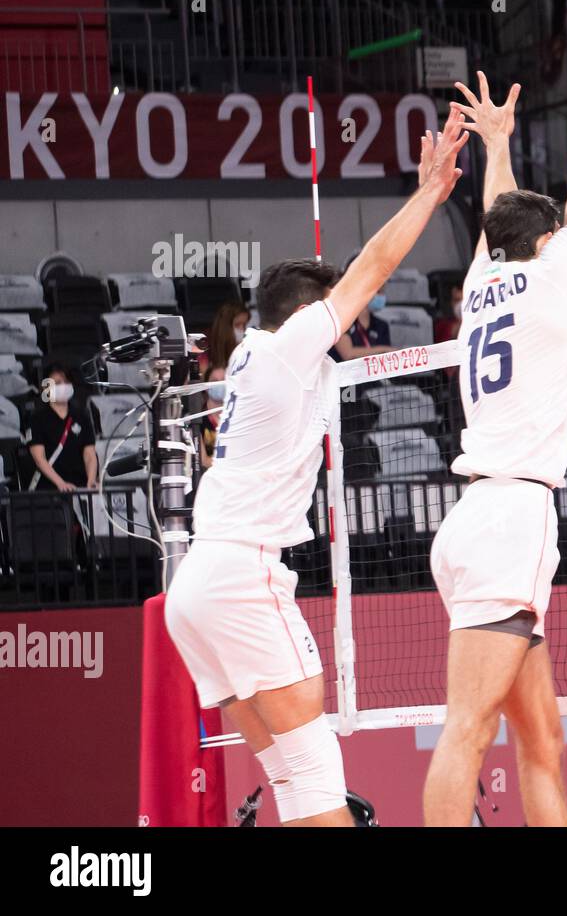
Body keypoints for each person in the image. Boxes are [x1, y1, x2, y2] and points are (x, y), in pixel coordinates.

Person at [164, 114, 468, 827]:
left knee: (294, 782)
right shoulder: (285, 346)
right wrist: (428, 193)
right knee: (315, 772)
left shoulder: (248, 360)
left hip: (197, 587)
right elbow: (373, 270)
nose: (342, 330)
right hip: (243, 578)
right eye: (331, 319)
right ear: (303, 316)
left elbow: (346, 360)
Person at [423, 23, 567, 827]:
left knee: (543, 740)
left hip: (488, 515)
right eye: (556, 233)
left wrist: (498, 144)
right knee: (468, 730)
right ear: (547, 244)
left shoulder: (483, 276)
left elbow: (498, 210)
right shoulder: (554, 277)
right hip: (508, 517)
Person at [27, 361, 98, 492]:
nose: (63, 386)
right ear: (46, 387)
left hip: (80, 486)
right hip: (50, 490)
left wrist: (92, 479)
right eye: (57, 383)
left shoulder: (81, 416)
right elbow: (39, 458)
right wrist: (61, 483)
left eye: (66, 382)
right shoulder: (37, 419)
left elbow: (89, 453)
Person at [329, 290, 394, 362]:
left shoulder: (382, 325)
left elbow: (386, 359)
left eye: (382, 292)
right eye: (378, 292)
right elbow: (348, 354)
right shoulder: (342, 321)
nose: (382, 296)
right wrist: (384, 350)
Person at [201, 300, 250, 375]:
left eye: (244, 325)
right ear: (225, 327)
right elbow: (203, 374)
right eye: (237, 324)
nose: (242, 330)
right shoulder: (204, 343)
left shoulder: (246, 346)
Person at [198, 365, 226, 471]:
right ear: (206, 386)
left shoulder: (238, 417)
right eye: (214, 381)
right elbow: (204, 461)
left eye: (223, 380)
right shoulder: (197, 420)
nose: (219, 384)